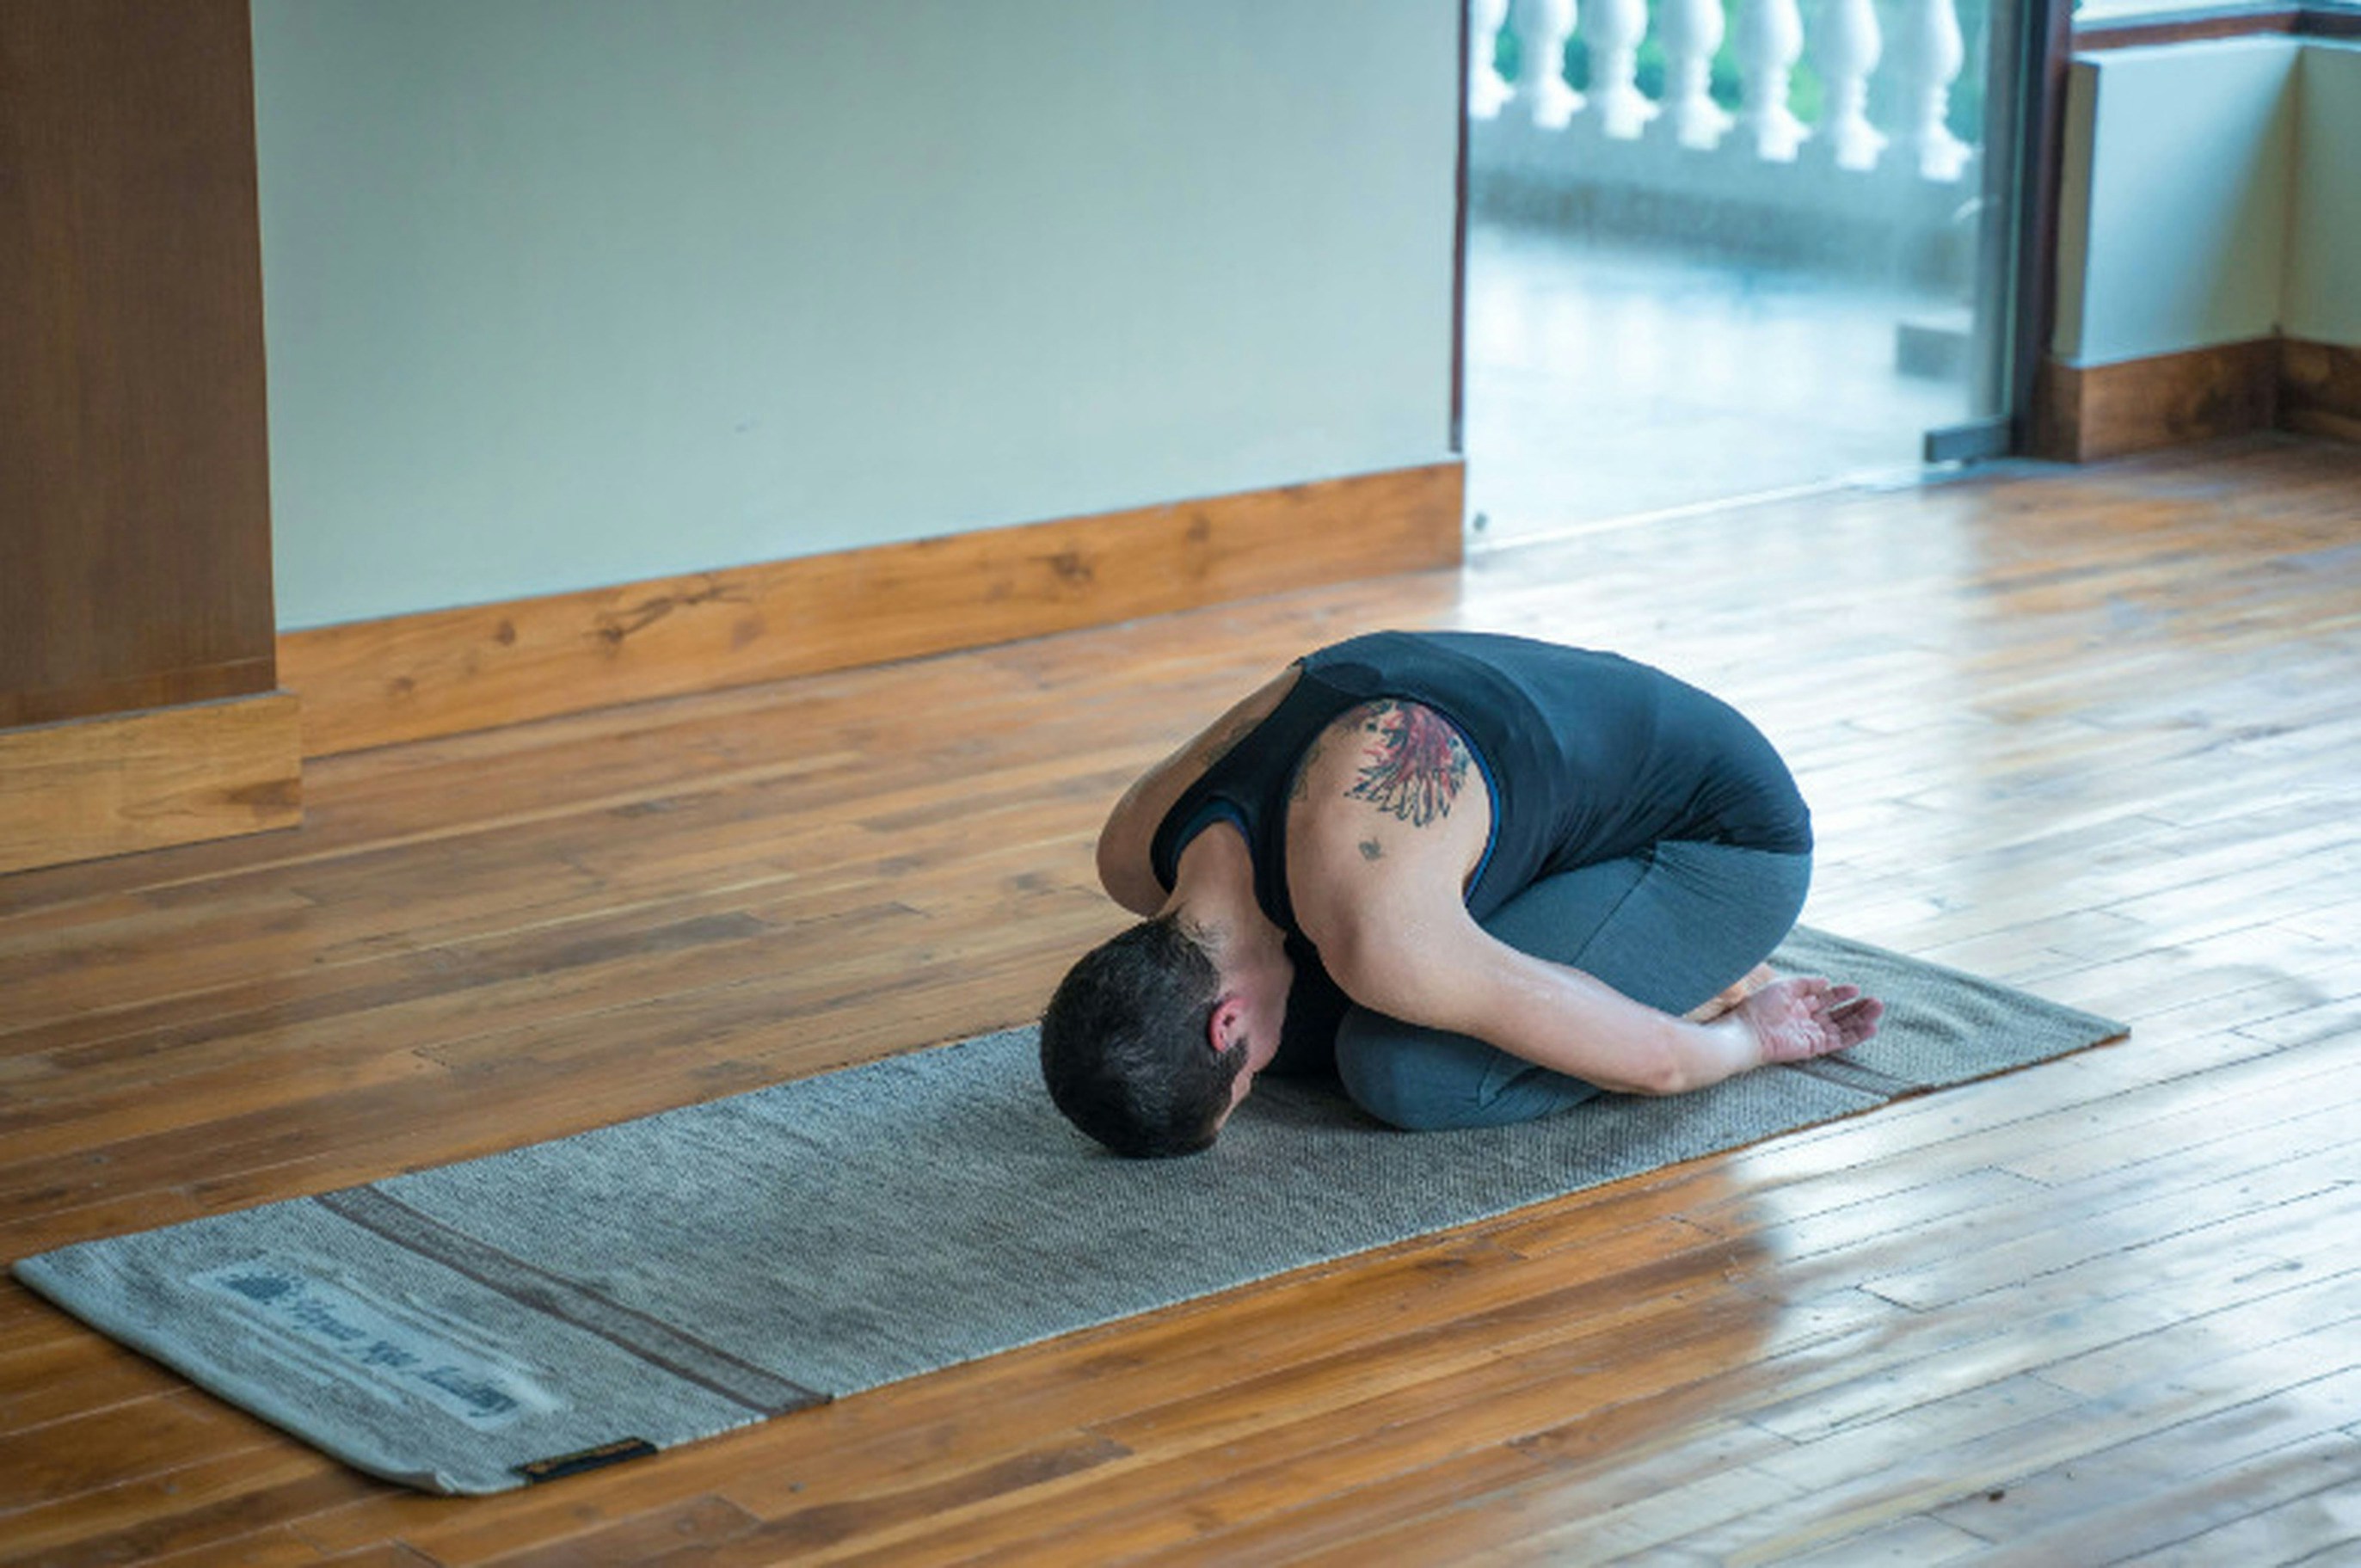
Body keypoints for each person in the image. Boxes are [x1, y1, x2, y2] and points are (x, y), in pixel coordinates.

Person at [1038, 630, 1884, 1157]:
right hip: (1555, 771)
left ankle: (1714, 970)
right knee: (1316, 1029)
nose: (1255, 1080)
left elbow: (1660, 1065)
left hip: (1715, 838)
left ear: (1225, 1020)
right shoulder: (1134, 848)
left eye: (1242, 1079)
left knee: (1403, 1072)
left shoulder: (1378, 927)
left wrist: (1750, 1040)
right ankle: (1574, 942)